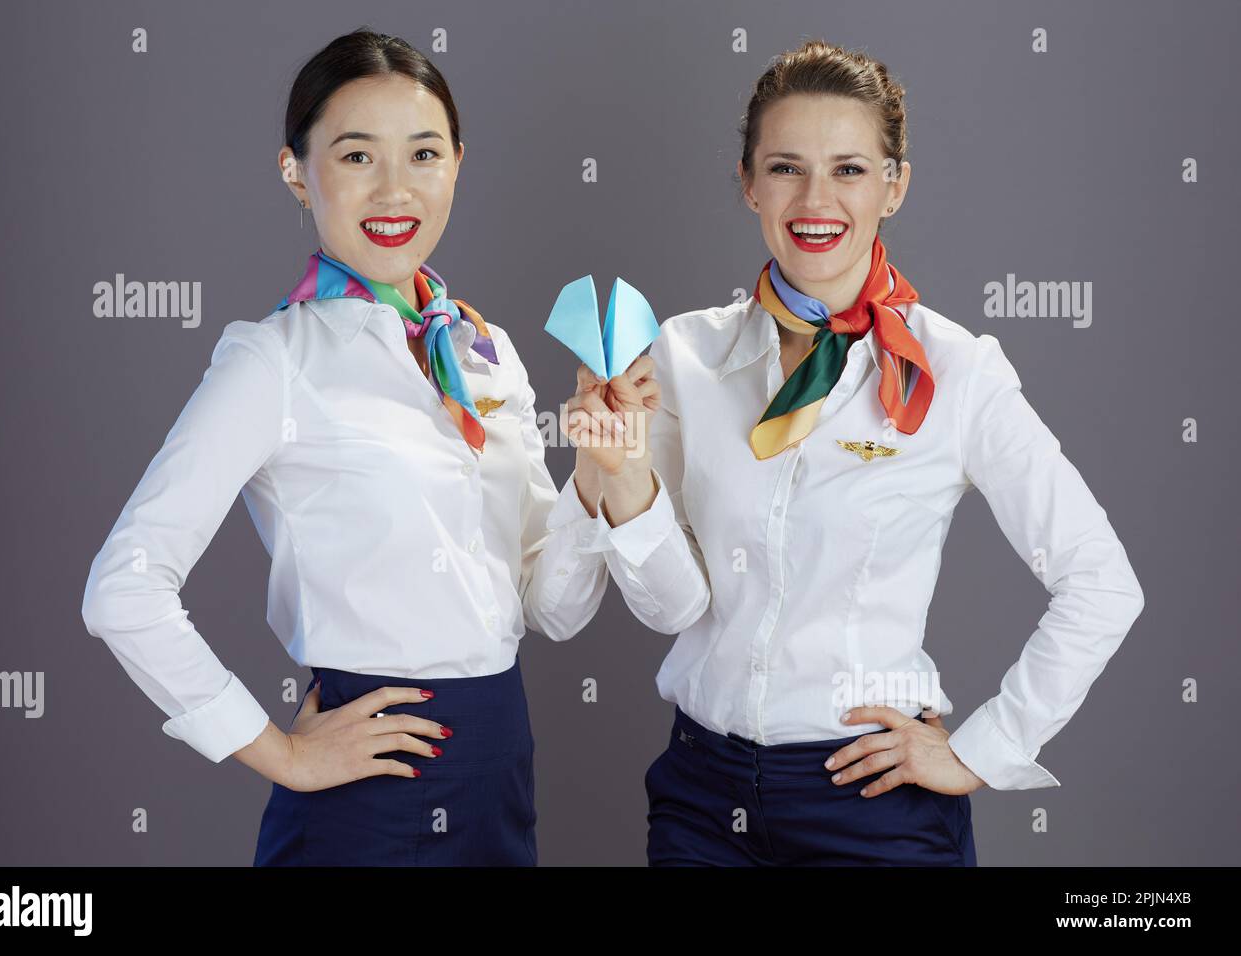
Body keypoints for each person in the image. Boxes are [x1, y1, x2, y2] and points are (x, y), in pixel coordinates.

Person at [573, 38, 1146, 866]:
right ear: (747, 182)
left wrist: (981, 749)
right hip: (703, 798)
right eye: (784, 168)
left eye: (848, 169)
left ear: (894, 185)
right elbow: (674, 608)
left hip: (872, 809)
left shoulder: (957, 370)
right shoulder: (683, 357)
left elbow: (1101, 583)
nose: (815, 198)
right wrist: (621, 478)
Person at [80, 28, 643, 866]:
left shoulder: (486, 354)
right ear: (294, 171)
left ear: (457, 162)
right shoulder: (274, 359)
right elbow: (121, 592)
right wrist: (281, 752)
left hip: (500, 763)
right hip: (373, 782)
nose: (394, 189)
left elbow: (550, 609)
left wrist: (598, 475)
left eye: (423, 153)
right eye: (355, 156)